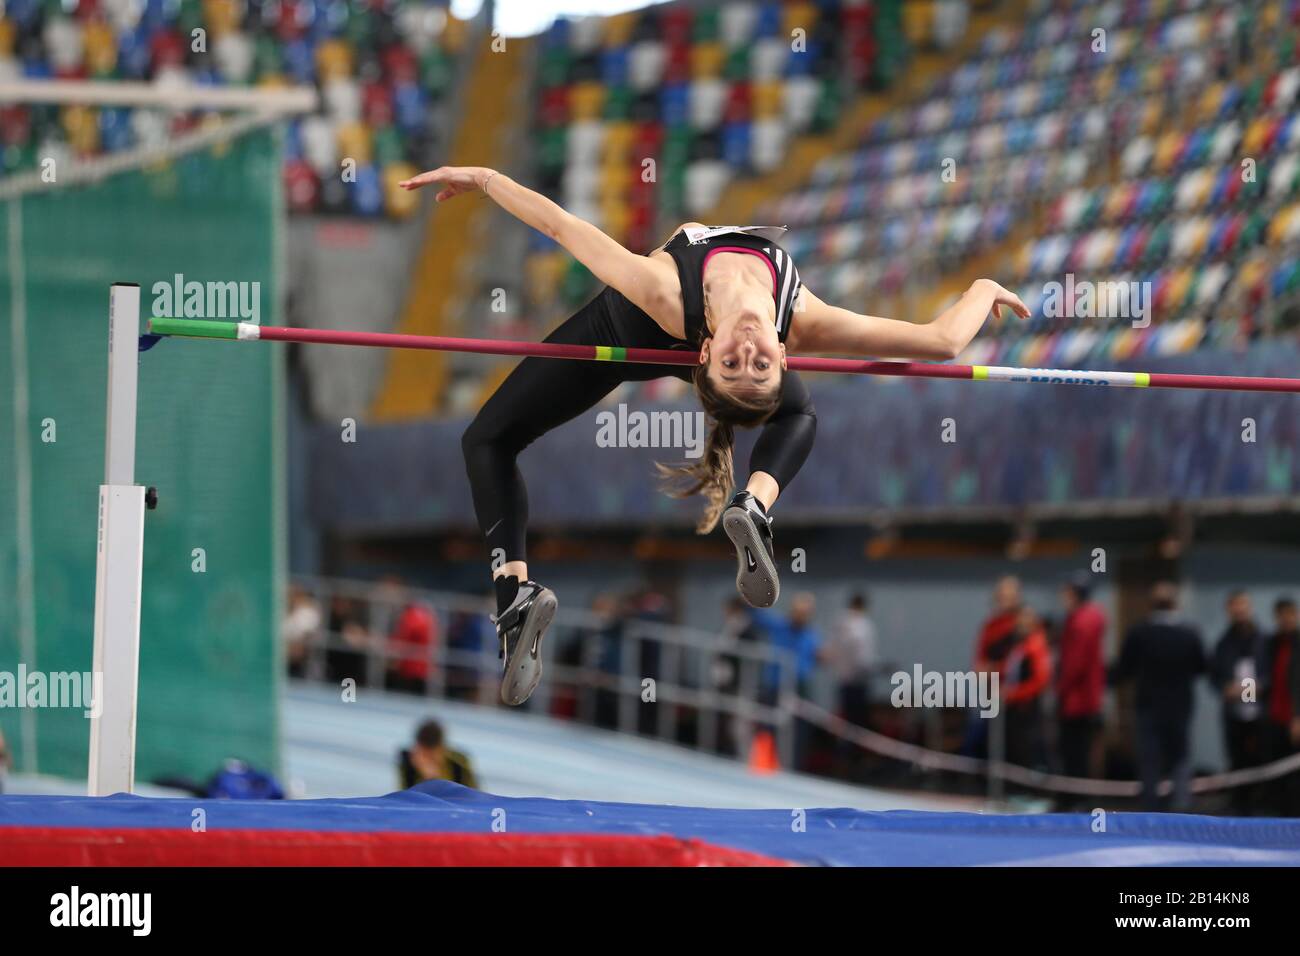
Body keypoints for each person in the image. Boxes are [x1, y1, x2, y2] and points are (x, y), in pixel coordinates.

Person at [399, 165, 1028, 706]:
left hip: (636, 328)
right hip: (655, 329)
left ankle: (524, 589)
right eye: (759, 361)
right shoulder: (797, 318)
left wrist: (485, 179)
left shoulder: (670, 295)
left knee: (488, 437)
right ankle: (741, 507)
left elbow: (563, 226)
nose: (751, 349)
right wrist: (982, 288)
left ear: (706, 354)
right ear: (783, 356)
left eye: (741, 362)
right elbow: (941, 341)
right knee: (795, 413)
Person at [1111, 582, 1206, 812]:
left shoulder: (1140, 632)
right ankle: (1181, 807)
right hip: (1179, 706)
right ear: (1175, 603)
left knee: (1150, 760)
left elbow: (1124, 669)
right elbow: (1201, 667)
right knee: (1179, 758)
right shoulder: (1189, 633)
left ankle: (1151, 809)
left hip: (1149, 707)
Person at [1210, 591, 1269, 813]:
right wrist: (1226, 688)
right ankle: (1240, 807)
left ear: (1249, 608)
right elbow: (1215, 677)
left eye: (1242, 607)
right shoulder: (1223, 643)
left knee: (1261, 760)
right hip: (1234, 715)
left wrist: (1249, 689)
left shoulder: (1264, 640)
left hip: (1261, 714)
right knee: (1237, 760)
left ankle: (1261, 804)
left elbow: (1272, 676)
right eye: (1235, 608)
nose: (1239, 612)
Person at [1055, 575, 1107, 778]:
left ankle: (1075, 798)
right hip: (1086, 697)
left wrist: (1060, 689)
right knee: (1079, 750)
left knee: (1074, 751)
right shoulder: (1088, 619)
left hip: (1076, 699)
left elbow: (1074, 664)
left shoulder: (1080, 623)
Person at [819, 593, 878, 729]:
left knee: (844, 720)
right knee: (856, 723)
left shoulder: (839, 623)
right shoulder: (863, 626)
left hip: (842, 680)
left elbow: (830, 651)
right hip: (857, 682)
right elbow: (864, 658)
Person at [1264, 598, 1300, 815]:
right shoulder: (1269, 644)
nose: (1286, 619)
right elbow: (1254, 676)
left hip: (1295, 721)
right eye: (1281, 615)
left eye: (1290, 614)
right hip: (1272, 719)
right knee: (1275, 776)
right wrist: (1248, 702)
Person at [398, 719, 478, 790]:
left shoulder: (459, 764)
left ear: (442, 749)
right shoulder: (408, 763)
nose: (427, 761)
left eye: (432, 756)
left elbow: (474, 799)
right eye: (424, 755)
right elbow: (405, 800)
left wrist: (432, 778)